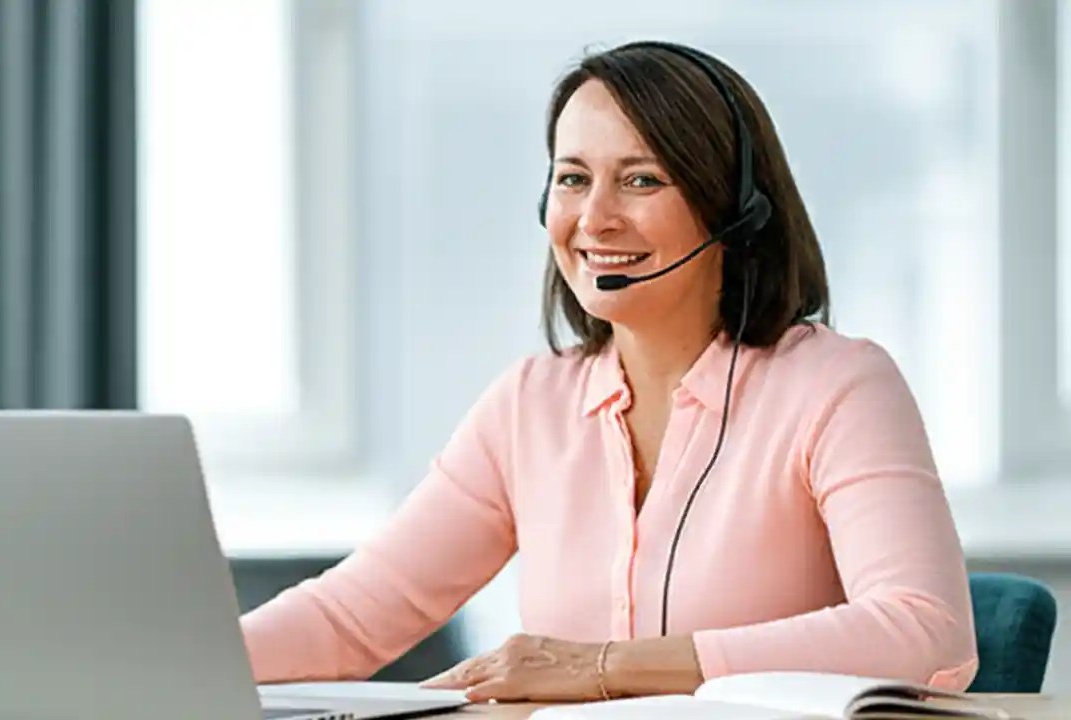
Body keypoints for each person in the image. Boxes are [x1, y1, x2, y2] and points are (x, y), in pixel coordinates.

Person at [239, 40, 978, 703]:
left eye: (641, 180)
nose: (594, 218)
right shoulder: (530, 405)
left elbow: (926, 632)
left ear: (735, 212)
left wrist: (606, 666)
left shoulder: (836, 387)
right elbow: (352, 616)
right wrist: (158, 662)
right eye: (571, 179)